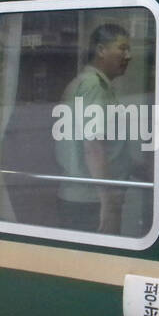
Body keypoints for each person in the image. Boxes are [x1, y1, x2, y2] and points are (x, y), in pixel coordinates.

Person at [55, 22, 132, 234]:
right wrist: (107, 203)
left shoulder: (80, 83)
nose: (128, 56)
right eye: (122, 48)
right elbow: (93, 147)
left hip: (77, 198)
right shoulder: (95, 87)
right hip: (91, 203)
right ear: (101, 50)